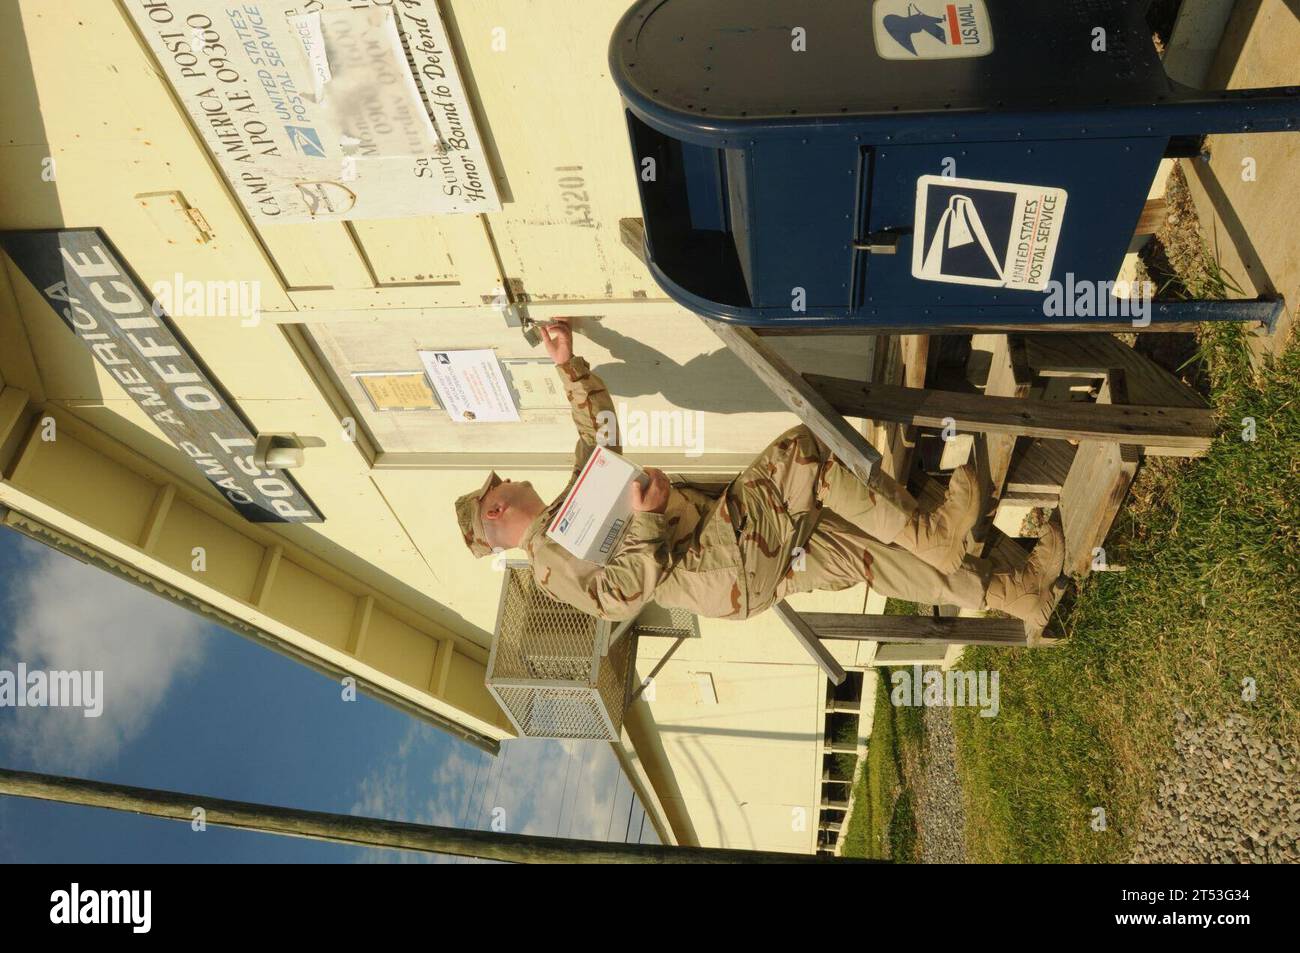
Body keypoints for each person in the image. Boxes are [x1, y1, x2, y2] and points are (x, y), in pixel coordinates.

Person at [456, 319, 1064, 627]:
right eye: (498, 486)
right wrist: (644, 522)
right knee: (804, 454)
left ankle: (1018, 596)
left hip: (735, 562)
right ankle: (931, 533)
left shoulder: (568, 505)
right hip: (720, 564)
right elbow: (618, 597)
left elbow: (599, 436)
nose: (507, 481)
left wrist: (569, 367)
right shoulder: (547, 566)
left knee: (860, 552)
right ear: (494, 512)